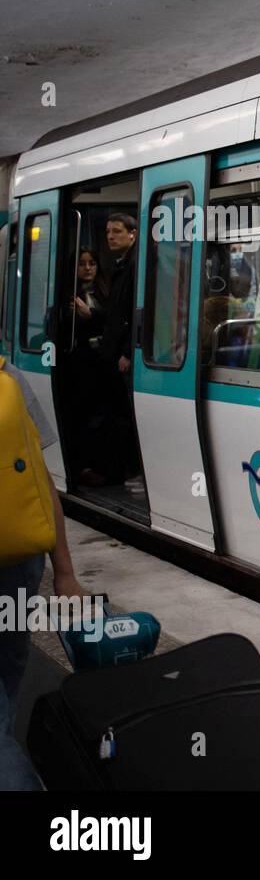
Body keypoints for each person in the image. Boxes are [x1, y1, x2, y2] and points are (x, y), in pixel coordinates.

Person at [1, 354, 89, 790]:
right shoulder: (4, 374)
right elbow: (39, 478)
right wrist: (65, 572)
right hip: (17, 565)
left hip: (16, 572)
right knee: (6, 686)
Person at [98, 214, 142, 486]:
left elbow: (135, 313)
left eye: (116, 231)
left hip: (127, 356)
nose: (110, 236)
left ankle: (137, 469)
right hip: (115, 354)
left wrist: (127, 351)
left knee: (129, 416)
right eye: (107, 231)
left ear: (133, 234)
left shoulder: (136, 265)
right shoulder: (122, 264)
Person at [66, 250, 111, 486]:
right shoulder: (69, 295)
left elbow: (113, 319)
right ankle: (83, 466)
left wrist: (91, 314)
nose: (87, 268)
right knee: (84, 417)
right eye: (82, 264)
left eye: (92, 263)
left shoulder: (105, 292)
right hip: (80, 365)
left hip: (103, 364)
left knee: (103, 417)